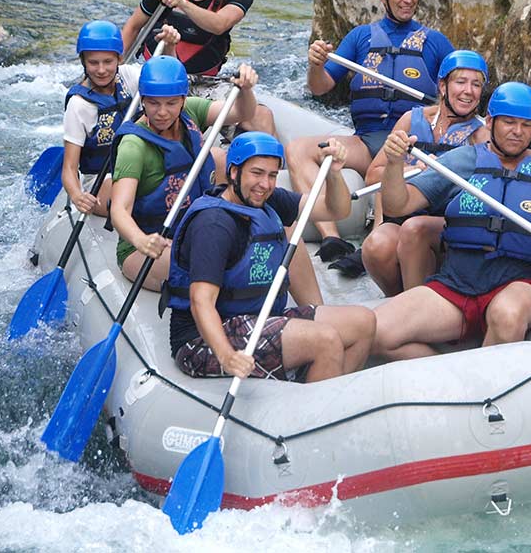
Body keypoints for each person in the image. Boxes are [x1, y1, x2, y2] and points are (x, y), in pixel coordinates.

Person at [371, 82, 531, 361]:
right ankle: (445, 376)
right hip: (457, 282)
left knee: (507, 315)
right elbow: (397, 204)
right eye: (509, 122)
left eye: (526, 125)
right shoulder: (462, 161)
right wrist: (393, 164)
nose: (517, 131)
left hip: (521, 282)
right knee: (377, 334)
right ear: (490, 122)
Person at [166, 132, 374, 382]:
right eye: (256, 173)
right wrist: (226, 355)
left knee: (363, 323)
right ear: (234, 172)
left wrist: (334, 173)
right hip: (202, 338)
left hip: (260, 317)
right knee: (325, 340)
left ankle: (320, 395)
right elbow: (201, 301)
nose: (265, 184)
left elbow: (336, 209)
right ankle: (313, 410)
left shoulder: (267, 199)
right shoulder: (214, 224)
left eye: (273, 175)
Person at [287, 0, 455, 262]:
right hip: (366, 141)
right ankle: (331, 238)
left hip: (410, 145)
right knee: (298, 149)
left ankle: (376, 246)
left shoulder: (436, 43)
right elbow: (320, 87)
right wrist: (315, 65)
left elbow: (459, 97)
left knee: (389, 168)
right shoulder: (360, 38)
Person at [333, 50, 491, 292]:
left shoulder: (481, 136)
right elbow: (374, 175)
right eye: (460, 82)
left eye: (476, 84)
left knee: (413, 233)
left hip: (446, 229)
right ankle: (398, 300)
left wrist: (436, 177)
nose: (468, 91)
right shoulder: (410, 120)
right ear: (442, 86)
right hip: (403, 215)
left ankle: (419, 303)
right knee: (376, 245)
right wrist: (407, 168)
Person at [109, 55, 254, 290]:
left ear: (183, 100)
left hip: (194, 230)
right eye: (154, 103)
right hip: (147, 246)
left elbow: (240, 112)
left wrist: (246, 90)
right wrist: (141, 240)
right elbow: (119, 209)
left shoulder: (191, 112)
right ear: (143, 99)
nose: (163, 112)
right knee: (208, 263)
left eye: (171, 103)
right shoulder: (133, 145)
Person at [119, 0, 275, 133]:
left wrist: (182, 4)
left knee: (262, 116)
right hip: (158, 77)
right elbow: (133, 26)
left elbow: (219, 25)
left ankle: (266, 162)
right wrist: (115, 71)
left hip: (205, 82)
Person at [61, 20, 180, 217]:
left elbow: (166, 79)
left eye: (108, 62)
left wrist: (169, 46)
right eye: (93, 62)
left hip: (141, 165)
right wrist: (76, 194)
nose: (101, 70)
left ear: (119, 58)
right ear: (83, 62)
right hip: (100, 180)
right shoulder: (79, 104)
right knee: (135, 193)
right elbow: (69, 167)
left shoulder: (129, 76)